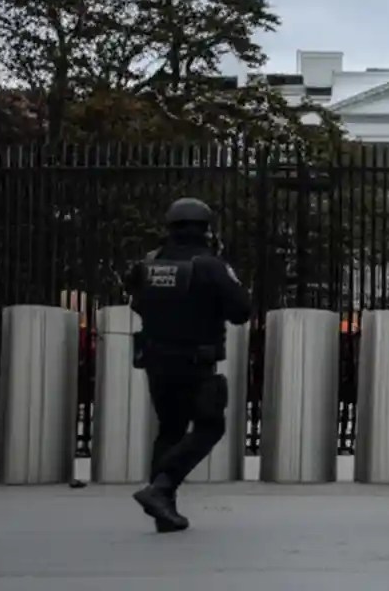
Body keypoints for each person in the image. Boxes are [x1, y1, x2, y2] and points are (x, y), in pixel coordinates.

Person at [125, 198, 252, 532]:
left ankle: (163, 510)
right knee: (210, 427)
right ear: (206, 229)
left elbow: (138, 302)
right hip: (196, 361)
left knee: (169, 430)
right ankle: (161, 489)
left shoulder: (148, 264)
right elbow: (241, 311)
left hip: (155, 360)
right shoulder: (209, 265)